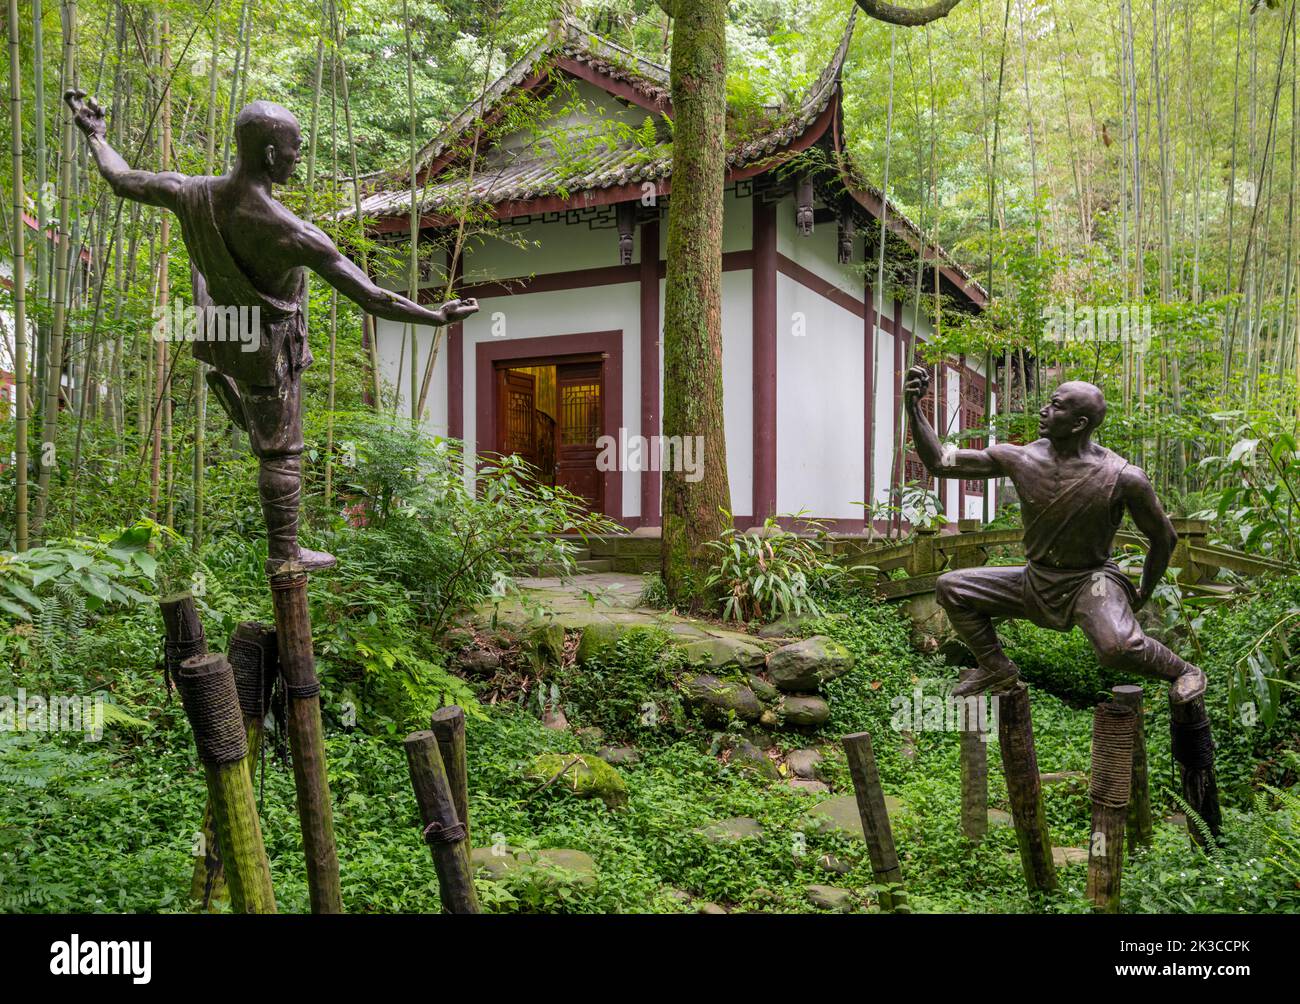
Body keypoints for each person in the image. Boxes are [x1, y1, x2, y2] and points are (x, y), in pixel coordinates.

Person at [65, 90, 479, 574]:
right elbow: (373, 297)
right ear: (268, 154)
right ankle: (285, 549)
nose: (297, 158)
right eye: (295, 148)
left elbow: (120, 178)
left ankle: (242, 399)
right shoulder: (293, 232)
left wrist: (95, 134)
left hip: (222, 328)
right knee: (283, 451)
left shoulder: (188, 191)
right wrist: (436, 317)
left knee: (265, 425)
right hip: (268, 347)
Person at [903, 364, 1206, 703]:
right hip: (1036, 579)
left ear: (1079, 424)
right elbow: (941, 462)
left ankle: (1185, 671)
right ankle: (995, 666)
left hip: (1091, 581)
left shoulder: (1123, 477)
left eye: (1056, 405)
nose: (1044, 411)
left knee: (1118, 647)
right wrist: (914, 408)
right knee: (952, 588)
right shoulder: (1020, 458)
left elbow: (1164, 538)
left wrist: (1142, 593)